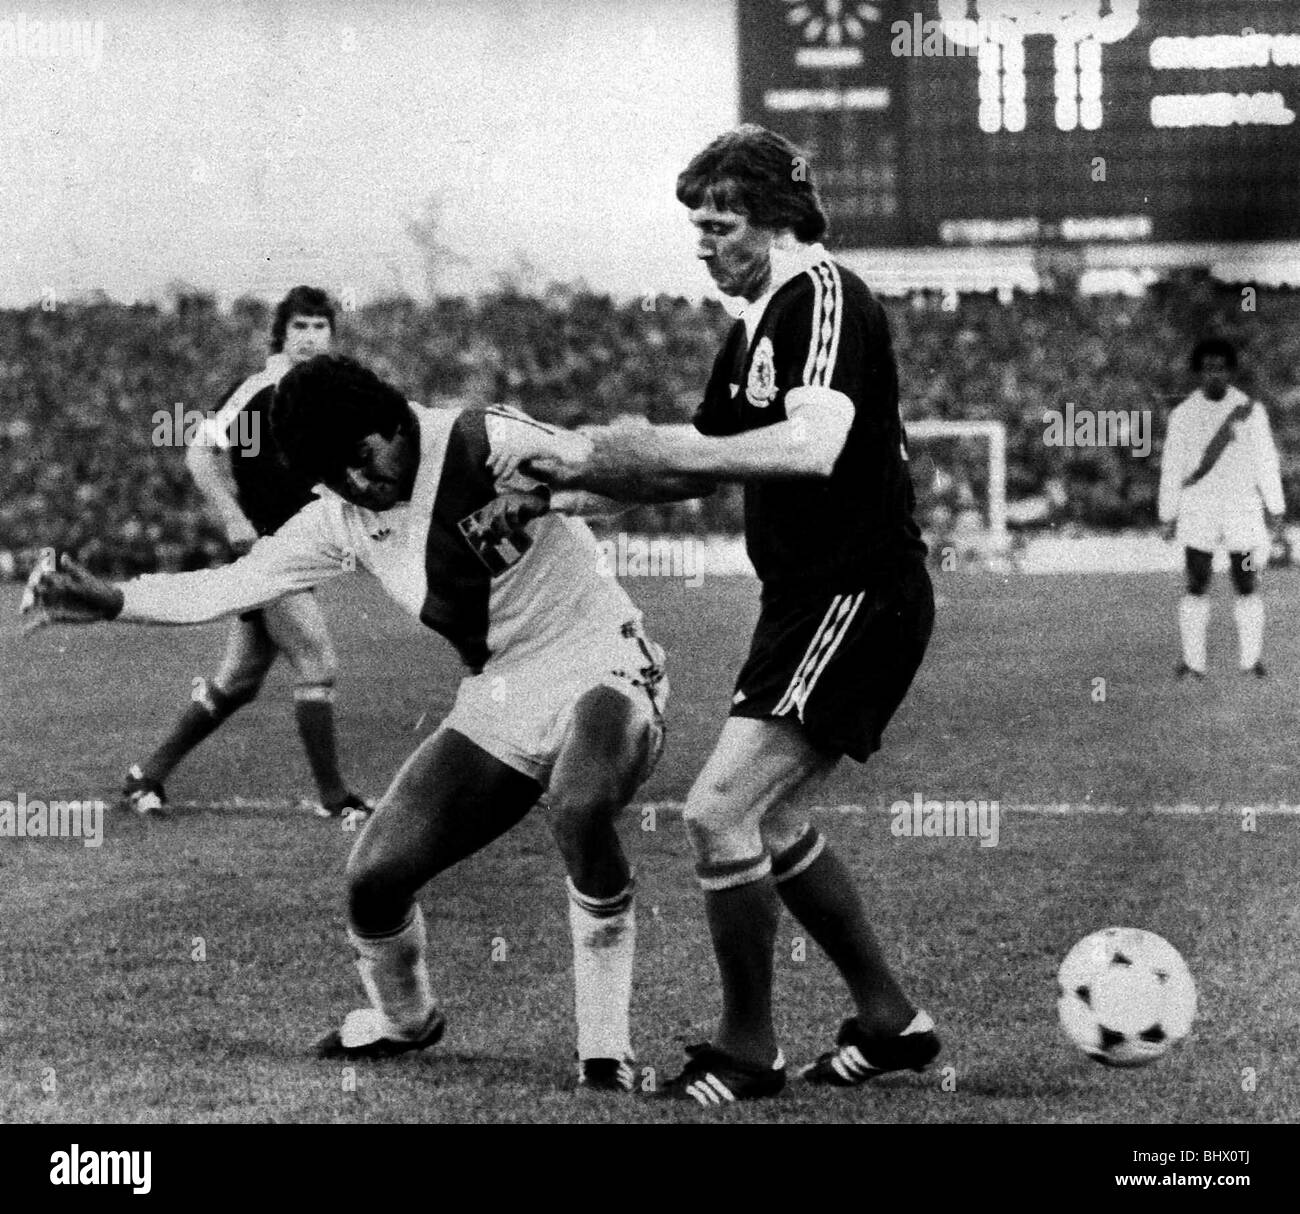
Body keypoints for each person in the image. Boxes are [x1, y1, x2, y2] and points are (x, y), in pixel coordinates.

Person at [23, 354, 669, 1092]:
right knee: (373, 877)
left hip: (602, 658)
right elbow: (240, 583)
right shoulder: (341, 519)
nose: (360, 484)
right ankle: (405, 1020)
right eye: (336, 475)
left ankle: (604, 1050)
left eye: (364, 458)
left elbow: (624, 475)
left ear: (392, 418)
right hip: (501, 692)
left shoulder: (480, 440)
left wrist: (599, 485)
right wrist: (113, 600)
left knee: (581, 804)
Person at [508, 125, 940, 1105]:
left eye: (720, 224)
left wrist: (626, 446)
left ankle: (748, 1048)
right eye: (695, 225)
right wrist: (558, 491)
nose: (702, 244)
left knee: (717, 809)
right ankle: (890, 1021)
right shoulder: (750, 325)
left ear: (778, 218)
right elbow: (689, 459)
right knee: (773, 814)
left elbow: (813, 445)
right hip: (803, 600)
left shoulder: (822, 295)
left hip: (856, 594)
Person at [121, 285, 368, 820]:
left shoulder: (327, 394)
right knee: (317, 662)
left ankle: (147, 775)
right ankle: (335, 799)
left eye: (319, 326)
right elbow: (200, 452)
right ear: (281, 333)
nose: (308, 337)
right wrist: (235, 519)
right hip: (267, 553)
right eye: (298, 327)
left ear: (332, 333)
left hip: (299, 551)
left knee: (236, 683)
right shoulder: (259, 390)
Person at [1158, 337, 1285, 679]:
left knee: (1245, 581)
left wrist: (1275, 505)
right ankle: (1193, 663)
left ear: (1230, 371)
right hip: (1199, 508)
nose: (1214, 374)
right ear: (1199, 372)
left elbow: (1265, 461)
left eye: (1220, 368)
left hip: (1241, 508)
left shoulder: (1249, 411)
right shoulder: (1184, 414)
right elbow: (1172, 466)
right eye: (1208, 368)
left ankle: (1250, 661)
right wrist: (1167, 514)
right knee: (1197, 581)